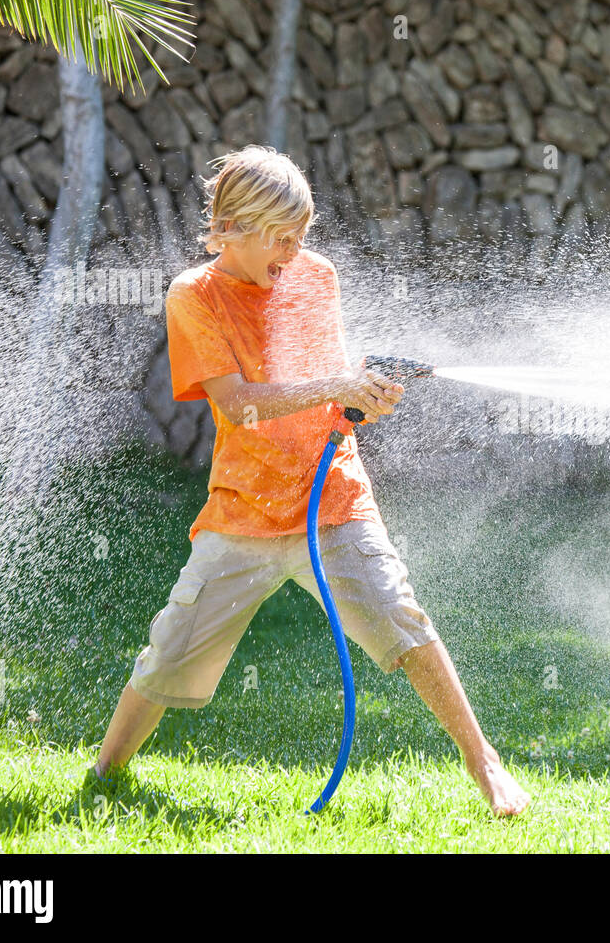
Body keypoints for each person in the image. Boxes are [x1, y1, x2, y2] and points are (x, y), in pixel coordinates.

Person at [90, 145, 530, 817]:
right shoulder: (195, 296)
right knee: (171, 649)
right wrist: (340, 384)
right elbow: (239, 403)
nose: (294, 253)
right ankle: (105, 770)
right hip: (243, 513)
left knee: (401, 619)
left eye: (301, 238)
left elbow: (328, 386)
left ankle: (486, 764)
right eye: (282, 239)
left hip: (333, 499)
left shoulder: (315, 278)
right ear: (233, 228)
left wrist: (363, 399)